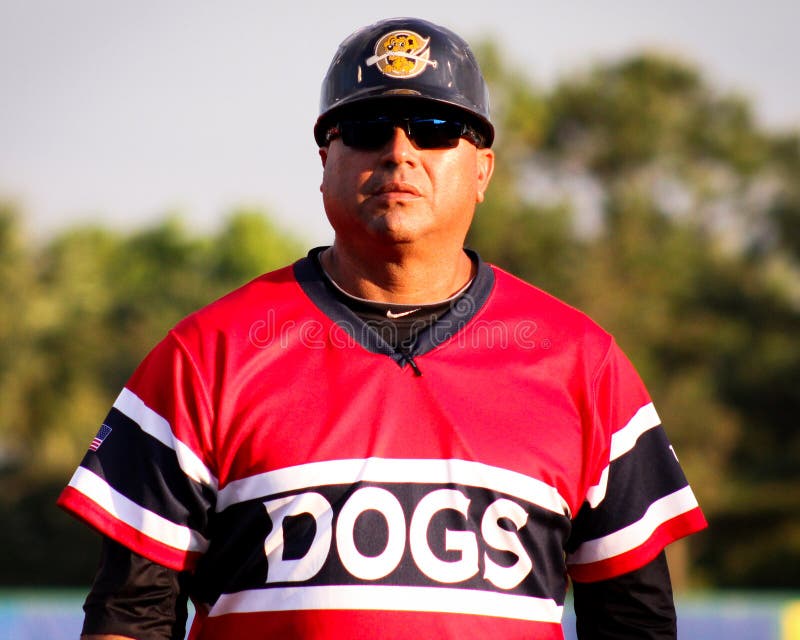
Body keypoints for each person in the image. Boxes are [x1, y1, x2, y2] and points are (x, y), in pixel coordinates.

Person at [58, 17, 707, 640]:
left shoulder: (582, 362)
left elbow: (634, 620)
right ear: (325, 160)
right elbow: (131, 614)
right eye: (367, 127)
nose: (400, 152)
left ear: (482, 167)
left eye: (434, 129)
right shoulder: (207, 354)